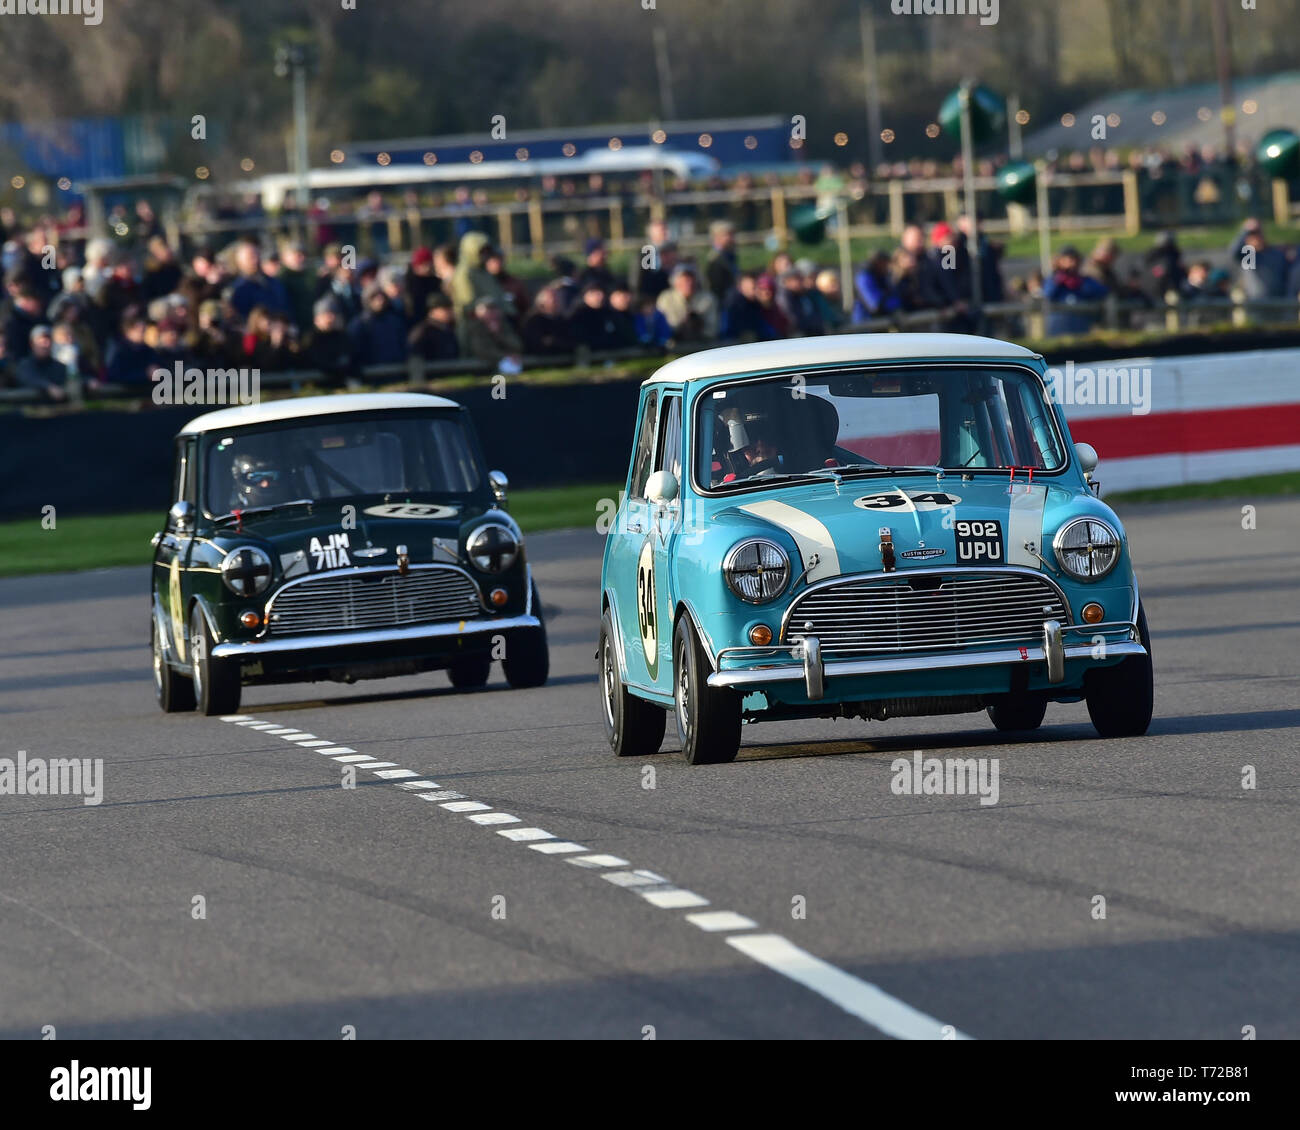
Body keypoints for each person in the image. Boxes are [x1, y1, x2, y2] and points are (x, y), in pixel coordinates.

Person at [1043, 247, 1108, 336]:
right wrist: (1059, 281)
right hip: (1057, 329)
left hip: (1081, 328)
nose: (1072, 263)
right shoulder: (1053, 280)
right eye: (1068, 259)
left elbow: (1102, 292)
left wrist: (1080, 284)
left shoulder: (1084, 280)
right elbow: (1048, 294)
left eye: (1074, 259)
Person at [348, 283, 408, 367]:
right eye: (374, 298)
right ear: (367, 300)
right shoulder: (359, 324)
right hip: (371, 373)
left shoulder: (395, 321)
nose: (380, 301)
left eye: (382, 297)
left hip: (396, 371)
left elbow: (403, 345)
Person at [655, 263, 718, 344]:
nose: (689, 283)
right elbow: (663, 325)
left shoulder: (708, 299)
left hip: (703, 343)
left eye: (691, 279)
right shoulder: (666, 299)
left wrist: (697, 325)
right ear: (675, 282)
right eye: (685, 280)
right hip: (674, 342)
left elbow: (712, 328)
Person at [227, 239, 289, 321]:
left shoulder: (274, 283)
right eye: (251, 257)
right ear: (239, 261)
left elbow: (285, 308)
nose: (256, 260)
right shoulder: (236, 289)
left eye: (257, 255)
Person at [463, 296, 523, 365]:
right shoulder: (474, 327)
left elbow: (518, 346)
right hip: (480, 363)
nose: (492, 313)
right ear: (478, 312)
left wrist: (499, 335)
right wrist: (505, 356)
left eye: (494, 309)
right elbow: (481, 351)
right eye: (488, 309)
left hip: (506, 361)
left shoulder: (504, 324)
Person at [15, 324, 68, 401]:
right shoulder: (25, 365)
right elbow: (29, 379)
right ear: (32, 344)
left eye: (47, 341)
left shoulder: (59, 366)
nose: (45, 345)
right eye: (41, 341)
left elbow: (71, 379)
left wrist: (87, 382)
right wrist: (48, 387)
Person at [521, 286, 574, 355]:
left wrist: (554, 341)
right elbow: (536, 342)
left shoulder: (562, 319)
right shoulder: (534, 320)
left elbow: (569, 341)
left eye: (557, 297)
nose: (555, 300)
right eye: (552, 298)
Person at [407, 293, 460, 361]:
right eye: (445, 309)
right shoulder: (423, 331)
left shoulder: (448, 329)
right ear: (433, 310)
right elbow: (415, 356)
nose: (450, 312)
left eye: (450, 309)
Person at [852, 251, 902, 321]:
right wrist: (896, 305)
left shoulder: (882, 276)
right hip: (865, 322)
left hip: (879, 320)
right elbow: (874, 304)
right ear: (878, 263)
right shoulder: (864, 277)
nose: (888, 268)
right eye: (886, 264)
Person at [705, 220, 738, 303]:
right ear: (716, 237)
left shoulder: (729, 256)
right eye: (728, 235)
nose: (732, 239)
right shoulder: (715, 260)